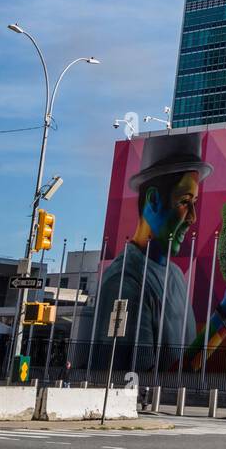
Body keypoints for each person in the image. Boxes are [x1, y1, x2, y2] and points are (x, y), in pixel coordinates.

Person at [91, 134, 212, 351]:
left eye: (194, 202)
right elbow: (130, 373)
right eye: (185, 202)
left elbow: (183, 366)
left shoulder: (175, 275)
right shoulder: (125, 283)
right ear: (153, 200)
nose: (193, 218)